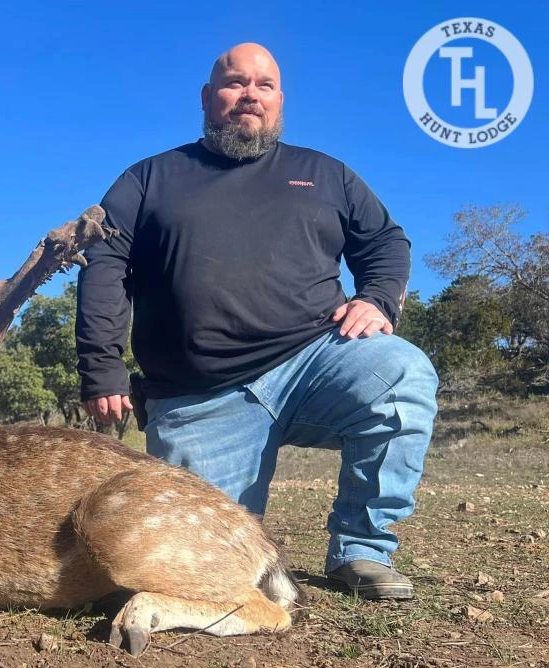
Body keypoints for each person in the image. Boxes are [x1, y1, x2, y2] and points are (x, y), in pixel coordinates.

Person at [75, 43, 438, 600]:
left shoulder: (325, 173)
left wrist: (379, 299)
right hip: (198, 396)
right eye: (234, 82)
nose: (249, 94)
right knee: (208, 569)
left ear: (279, 100)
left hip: (316, 360)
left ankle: (363, 550)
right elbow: (104, 262)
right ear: (207, 97)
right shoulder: (150, 178)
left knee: (402, 373)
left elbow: (386, 242)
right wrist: (102, 368)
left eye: (264, 84)